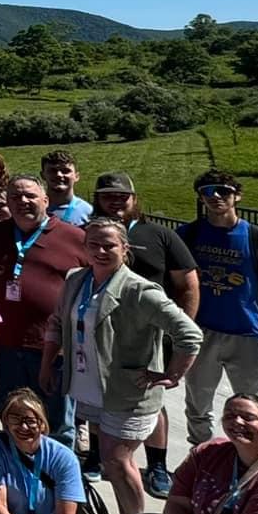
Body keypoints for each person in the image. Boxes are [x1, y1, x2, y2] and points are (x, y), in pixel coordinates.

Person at [42, 216, 202, 514]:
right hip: (88, 384)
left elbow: (189, 334)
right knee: (109, 459)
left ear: (124, 249)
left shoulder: (140, 290)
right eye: (93, 245)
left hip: (126, 391)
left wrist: (171, 374)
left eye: (109, 245)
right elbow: (58, 322)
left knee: (117, 461)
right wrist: (48, 364)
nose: (100, 251)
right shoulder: (76, 279)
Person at [93, 170, 200, 496]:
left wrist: (176, 332)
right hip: (102, 334)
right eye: (108, 195)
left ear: (134, 199)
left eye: (122, 196)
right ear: (97, 199)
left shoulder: (159, 235)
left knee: (150, 401)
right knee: (99, 397)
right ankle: (97, 457)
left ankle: (156, 464)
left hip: (151, 337)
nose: (115, 201)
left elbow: (189, 284)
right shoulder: (91, 234)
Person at [179, 171, 258, 446]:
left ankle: (255, 459)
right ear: (200, 197)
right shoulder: (187, 235)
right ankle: (202, 455)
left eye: (223, 191)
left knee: (254, 409)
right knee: (197, 404)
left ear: (237, 196)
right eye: (207, 191)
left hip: (247, 334)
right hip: (201, 333)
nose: (215, 197)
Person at [0, 174, 86, 444]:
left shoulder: (76, 238)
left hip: (52, 350)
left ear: (45, 200)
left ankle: (57, 481)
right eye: (15, 196)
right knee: (12, 420)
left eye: (30, 196)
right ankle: (17, 479)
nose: (22, 201)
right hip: (6, 348)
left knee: (57, 425)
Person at [41, 149, 92, 226]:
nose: (59, 175)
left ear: (76, 176)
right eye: (53, 170)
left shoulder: (88, 212)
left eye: (65, 171)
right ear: (43, 175)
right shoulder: (34, 207)